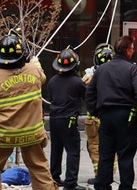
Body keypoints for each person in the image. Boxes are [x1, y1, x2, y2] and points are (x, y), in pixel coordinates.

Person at [0, 34, 57, 190]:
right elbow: (42, 77)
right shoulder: (34, 71)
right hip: (32, 134)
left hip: (2, 135)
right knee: (39, 168)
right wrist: (35, 63)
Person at [86, 35, 137, 190]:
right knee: (125, 157)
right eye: (132, 49)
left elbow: (90, 93)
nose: (133, 51)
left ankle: (102, 185)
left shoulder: (101, 69)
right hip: (126, 118)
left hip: (106, 117)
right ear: (128, 50)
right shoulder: (133, 69)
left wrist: (95, 111)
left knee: (106, 155)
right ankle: (125, 187)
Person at [48, 47, 87, 190]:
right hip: (68, 120)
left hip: (54, 119)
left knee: (56, 149)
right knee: (73, 150)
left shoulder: (52, 81)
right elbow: (87, 96)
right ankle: (70, 183)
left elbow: (51, 98)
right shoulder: (77, 82)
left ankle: (54, 177)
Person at [81, 43, 115, 184]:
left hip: (94, 119)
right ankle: (109, 174)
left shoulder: (90, 78)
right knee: (112, 148)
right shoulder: (117, 76)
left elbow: (83, 88)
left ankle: (99, 175)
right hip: (111, 117)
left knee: (95, 148)